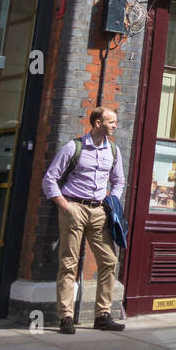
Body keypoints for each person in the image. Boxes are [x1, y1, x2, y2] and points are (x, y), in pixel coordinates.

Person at [42, 107, 126, 333]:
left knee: (109, 260)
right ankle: (66, 317)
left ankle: (102, 315)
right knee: (69, 262)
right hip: (74, 208)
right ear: (98, 123)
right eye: (111, 121)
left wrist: (112, 200)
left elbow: (119, 181)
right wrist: (65, 206)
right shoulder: (74, 147)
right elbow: (50, 179)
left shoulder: (114, 151)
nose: (115, 125)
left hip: (99, 211)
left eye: (116, 122)